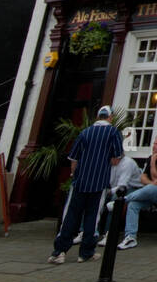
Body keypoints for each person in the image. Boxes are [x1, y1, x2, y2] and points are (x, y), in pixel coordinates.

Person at [49, 106, 122, 264]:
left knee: (70, 216)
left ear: (97, 117)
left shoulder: (85, 133)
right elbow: (116, 158)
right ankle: (86, 252)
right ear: (110, 118)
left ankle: (59, 251)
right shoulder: (113, 132)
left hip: (80, 181)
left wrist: (74, 175)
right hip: (99, 181)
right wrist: (104, 160)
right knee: (92, 217)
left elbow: (74, 159)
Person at [117, 133, 157, 250]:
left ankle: (123, 200)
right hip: (151, 191)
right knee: (133, 205)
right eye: (154, 143)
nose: (154, 146)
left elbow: (156, 175)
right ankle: (130, 237)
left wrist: (152, 163)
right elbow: (143, 178)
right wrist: (151, 184)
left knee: (149, 189)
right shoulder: (151, 157)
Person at [75, 155, 144, 243]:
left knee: (114, 201)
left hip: (131, 188)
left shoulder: (128, 163)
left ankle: (109, 234)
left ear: (117, 157)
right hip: (112, 188)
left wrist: (107, 192)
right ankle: (85, 232)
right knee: (92, 198)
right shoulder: (106, 162)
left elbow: (122, 185)